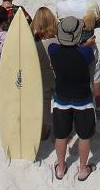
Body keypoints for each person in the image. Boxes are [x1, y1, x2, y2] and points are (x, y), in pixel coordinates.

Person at [49, 16, 97, 182]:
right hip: (82, 99)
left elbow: (65, 49)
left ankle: (61, 168)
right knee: (84, 136)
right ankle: (83, 169)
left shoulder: (53, 50)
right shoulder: (87, 52)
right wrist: (85, 44)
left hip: (61, 98)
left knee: (61, 135)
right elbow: (85, 58)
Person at [56, 0, 100, 108]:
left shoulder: (61, 6)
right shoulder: (92, 5)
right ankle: (98, 107)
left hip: (69, 48)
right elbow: (98, 24)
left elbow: (60, 27)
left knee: (72, 77)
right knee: (95, 76)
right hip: (89, 46)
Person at [31, 7, 58, 139]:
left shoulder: (34, 44)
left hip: (42, 77)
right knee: (61, 103)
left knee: (44, 103)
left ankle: (43, 129)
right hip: (58, 76)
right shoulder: (58, 41)